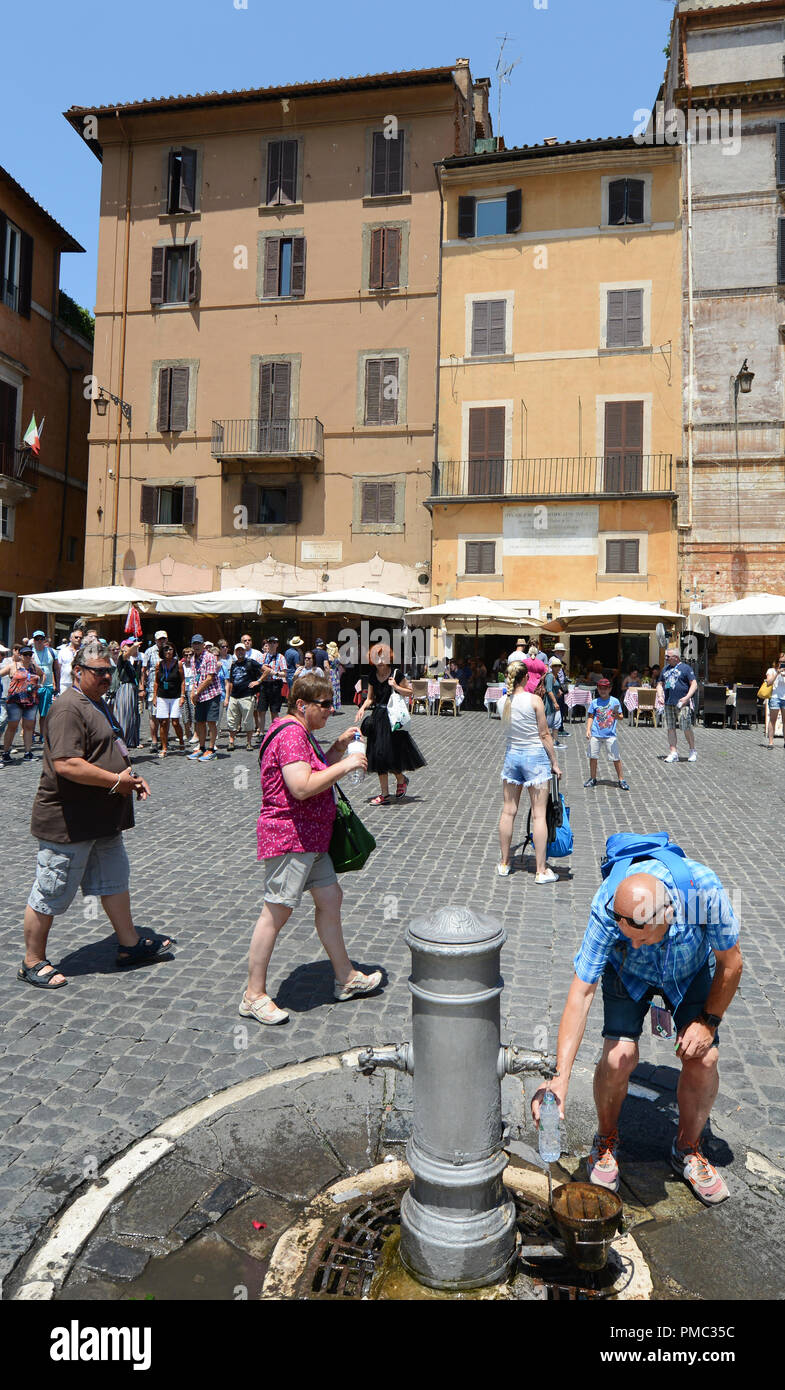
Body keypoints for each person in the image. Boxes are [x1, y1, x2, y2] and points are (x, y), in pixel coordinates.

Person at [532, 854, 743, 1206]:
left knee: (704, 1058)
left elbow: (732, 961)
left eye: (642, 938)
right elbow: (581, 992)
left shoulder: (703, 892)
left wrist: (708, 1022)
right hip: (627, 973)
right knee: (618, 1058)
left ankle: (688, 1149)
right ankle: (606, 1140)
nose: (632, 942)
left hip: (689, 971)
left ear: (668, 917)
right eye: (625, 935)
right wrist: (559, 1077)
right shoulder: (607, 905)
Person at [18, 640, 174, 989]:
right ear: (78, 672)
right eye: (99, 671)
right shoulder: (68, 708)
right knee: (50, 890)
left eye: (110, 671)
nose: (107, 676)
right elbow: (66, 763)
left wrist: (129, 776)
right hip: (69, 821)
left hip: (102, 818)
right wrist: (115, 780)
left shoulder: (98, 703)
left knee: (114, 882)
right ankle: (31, 961)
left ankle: (130, 945)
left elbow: (110, 748)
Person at [242, 670, 383, 1025]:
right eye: (324, 706)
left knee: (330, 898)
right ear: (301, 705)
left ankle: (345, 977)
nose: (329, 711)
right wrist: (347, 763)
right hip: (291, 837)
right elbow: (302, 786)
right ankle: (253, 995)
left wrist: (334, 749)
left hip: (311, 838)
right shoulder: (291, 735)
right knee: (275, 912)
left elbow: (311, 768)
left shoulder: (298, 731)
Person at [495, 662, 561, 883]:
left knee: (508, 811)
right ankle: (541, 871)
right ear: (525, 679)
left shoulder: (502, 702)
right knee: (539, 815)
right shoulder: (535, 700)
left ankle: (504, 863)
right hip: (535, 759)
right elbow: (544, 734)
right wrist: (554, 762)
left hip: (512, 757)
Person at [355, 642, 426, 805]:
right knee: (379, 755)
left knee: (389, 755)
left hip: (392, 718)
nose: (380, 660)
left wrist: (395, 686)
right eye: (377, 656)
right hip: (378, 717)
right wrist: (362, 708)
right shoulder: (372, 675)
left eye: (383, 656)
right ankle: (385, 794)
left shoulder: (396, 674)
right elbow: (370, 698)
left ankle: (401, 779)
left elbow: (410, 692)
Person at [584, 676, 629, 791]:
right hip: (596, 733)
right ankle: (593, 778)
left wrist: (616, 716)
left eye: (605, 688)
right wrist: (588, 729)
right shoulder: (594, 702)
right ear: (598, 689)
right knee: (593, 756)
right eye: (600, 688)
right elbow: (590, 717)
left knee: (615, 757)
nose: (603, 691)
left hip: (610, 734)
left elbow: (621, 717)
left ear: (610, 689)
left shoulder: (614, 701)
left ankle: (621, 779)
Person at [657, 647, 698, 764]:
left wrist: (687, 697)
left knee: (686, 727)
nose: (666, 659)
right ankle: (673, 752)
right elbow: (660, 683)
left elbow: (694, 684)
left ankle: (692, 750)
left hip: (682, 703)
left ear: (675, 657)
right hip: (668, 703)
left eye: (667, 657)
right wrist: (660, 695)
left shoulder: (686, 668)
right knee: (670, 728)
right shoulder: (665, 669)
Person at [2, 645, 42, 763]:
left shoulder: (34, 667)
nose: (28, 657)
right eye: (26, 654)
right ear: (20, 655)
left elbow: (43, 674)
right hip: (15, 701)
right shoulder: (13, 666)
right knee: (12, 727)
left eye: (30, 654)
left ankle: (28, 753)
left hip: (31, 701)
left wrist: (41, 685)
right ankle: (5, 753)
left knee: (29, 727)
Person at [187, 634, 221, 761]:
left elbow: (209, 678)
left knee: (211, 722)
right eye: (194, 644)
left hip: (211, 694)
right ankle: (201, 748)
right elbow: (194, 677)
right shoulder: (192, 659)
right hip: (200, 695)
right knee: (199, 722)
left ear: (203, 645)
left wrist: (196, 693)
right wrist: (192, 693)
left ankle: (211, 749)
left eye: (198, 644)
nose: (196, 646)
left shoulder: (209, 657)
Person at [225, 641, 262, 751]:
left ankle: (248, 743)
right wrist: (227, 697)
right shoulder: (233, 665)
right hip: (234, 696)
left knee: (247, 720)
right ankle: (231, 742)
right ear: (235, 652)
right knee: (231, 720)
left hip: (247, 696)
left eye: (242, 650)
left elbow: (265, 670)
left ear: (245, 651)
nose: (240, 652)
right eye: (238, 650)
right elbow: (230, 682)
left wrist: (258, 681)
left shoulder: (251, 662)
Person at [152, 643, 186, 757]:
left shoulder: (179, 664)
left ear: (173, 650)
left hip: (175, 696)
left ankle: (181, 741)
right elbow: (156, 682)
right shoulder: (159, 664)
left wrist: (182, 696)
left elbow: (182, 681)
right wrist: (154, 696)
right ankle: (164, 747)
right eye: (165, 649)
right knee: (163, 722)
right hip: (162, 696)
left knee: (175, 722)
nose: (168, 652)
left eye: (170, 649)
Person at [141, 631, 168, 751]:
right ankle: (154, 740)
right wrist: (142, 686)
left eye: (164, 639)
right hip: (153, 687)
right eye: (160, 639)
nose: (162, 641)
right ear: (156, 640)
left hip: (167, 687)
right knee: (153, 715)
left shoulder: (170, 650)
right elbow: (144, 670)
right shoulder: (149, 651)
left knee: (165, 716)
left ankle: (164, 741)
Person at [30, 631, 59, 744]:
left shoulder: (52, 652)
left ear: (44, 639)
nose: (39, 641)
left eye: (41, 638)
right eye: (37, 638)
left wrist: (57, 683)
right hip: (33, 687)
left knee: (44, 713)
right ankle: (30, 734)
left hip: (47, 686)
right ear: (33, 640)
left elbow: (56, 669)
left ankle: (43, 735)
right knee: (31, 714)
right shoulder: (29, 652)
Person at [114, 639, 142, 749]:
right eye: (128, 645)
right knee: (123, 717)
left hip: (132, 689)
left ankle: (127, 743)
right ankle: (121, 746)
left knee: (132, 718)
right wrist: (134, 646)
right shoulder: (122, 659)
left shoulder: (132, 661)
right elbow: (127, 654)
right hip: (125, 689)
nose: (131, 647)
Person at [257, 636, 288, 736]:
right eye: (270, 643)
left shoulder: (281, 657)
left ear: (277, 644)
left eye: (274, 643)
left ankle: (274, 732)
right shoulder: (262, 657)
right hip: (264, 685)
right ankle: (261, 733)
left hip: (275, 685)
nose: (272, 645)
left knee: (274, 710)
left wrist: (275, 673)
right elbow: (258, 669)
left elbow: (284, 673)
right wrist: (265, 671)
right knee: (261, 710)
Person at [55, 628, 84, 694]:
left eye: (80, 638)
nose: (78, 639)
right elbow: (58, 669)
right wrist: (58, 684)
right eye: (76, 637)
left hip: (79, 683)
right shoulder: (62, 651)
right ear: (71, 639)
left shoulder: (84, 652)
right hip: (64, 683)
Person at [765, 659, 785, 749]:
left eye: (784, 662)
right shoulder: (771, 670)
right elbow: (769, 683)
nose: (782, 663)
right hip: (775, 697)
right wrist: (777, 673)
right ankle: (770, 742)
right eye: (781, 661)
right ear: (776, 661)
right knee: (772, 720)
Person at [179, 646, 196, 741]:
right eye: (186, 655)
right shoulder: (181, 665)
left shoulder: (196, 665)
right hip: (183, 691)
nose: (188, 656)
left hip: (193, 691)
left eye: (191, 654)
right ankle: (187, 733)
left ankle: (196, 734)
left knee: (194, 713)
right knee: (184, 713)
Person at [326, 640, 343, 713]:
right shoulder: (338, 656)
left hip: (331, 673)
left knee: (329, 690)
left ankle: (330, 706)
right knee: (335, 690)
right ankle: (333, 705)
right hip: (336, 674)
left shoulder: (329, 656)